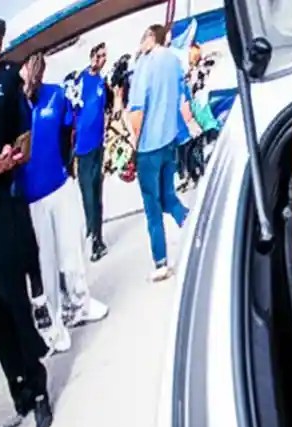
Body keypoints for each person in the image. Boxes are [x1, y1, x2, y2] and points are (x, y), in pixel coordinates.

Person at [17, 53, 110, 355]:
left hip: (59, 187)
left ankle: (80, 304)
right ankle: (54, 327)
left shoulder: (56, 94)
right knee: (46, 264)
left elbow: (67, 133)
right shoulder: (11, 107)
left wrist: (66, 170)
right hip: (31, 200)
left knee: (71, 251)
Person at [0, 25, 53, 427]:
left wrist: (14, 155)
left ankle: (39, 386)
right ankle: (19, 394)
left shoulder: (9, 77)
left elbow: (24, 135)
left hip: (3, 207)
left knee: (14, 299)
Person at [126, 24, 197, 282]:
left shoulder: (144, 64)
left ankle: (161, 262)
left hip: (148, 147)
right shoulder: (173, 61)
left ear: (149, 37)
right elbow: (183, 99)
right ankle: (193, 226)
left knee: (152, 207)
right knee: (168, 195)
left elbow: (137, 110)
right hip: (170, 141)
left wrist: (133, 144)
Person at [73, 42, 110, 262]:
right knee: (88, 195)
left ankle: (99, 237)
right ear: (91, 56)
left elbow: (103, 109)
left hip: (98, 146)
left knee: (97, 193)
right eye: (99, 55)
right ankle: (91, 237)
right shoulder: (80, 79)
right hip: (83, 148)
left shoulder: (101, 83)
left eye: (104, 56)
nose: (102, 59)